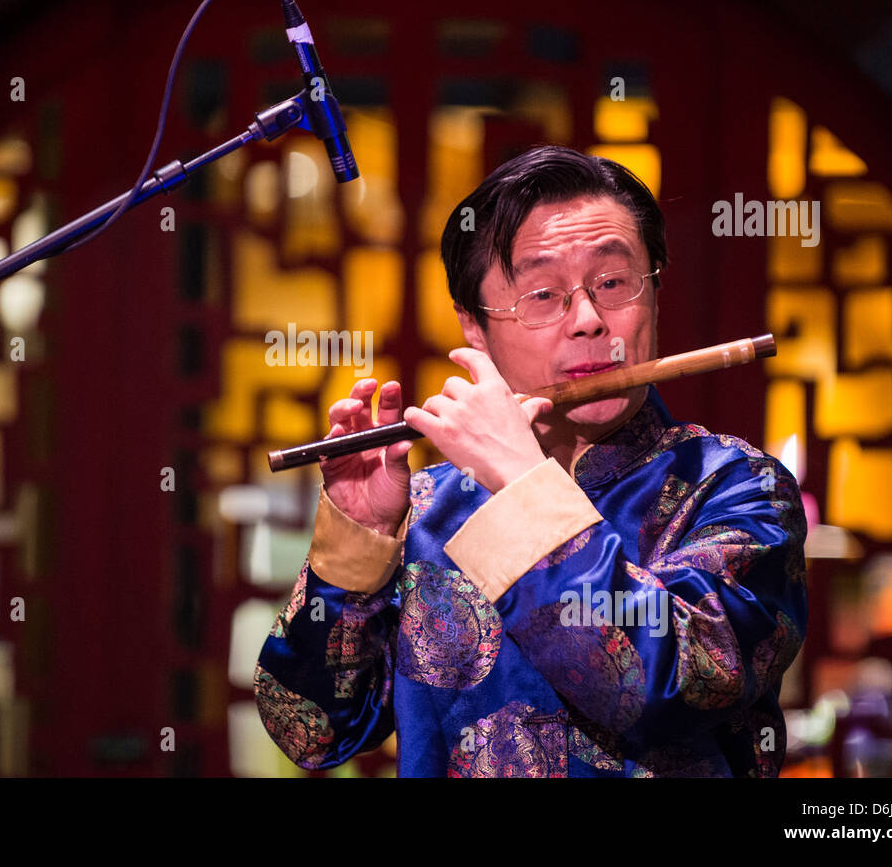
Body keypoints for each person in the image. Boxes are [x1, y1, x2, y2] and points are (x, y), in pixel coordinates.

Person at [254, 145, 808, 777]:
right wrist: (361, 540)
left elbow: (669, 683)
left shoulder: (736, 487)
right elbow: (313, 730)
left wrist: (521, 486)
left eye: (613, 283)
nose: (589, 321)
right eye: (542, 294)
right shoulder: (428, 509)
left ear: (653, 287)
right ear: (472, 325)